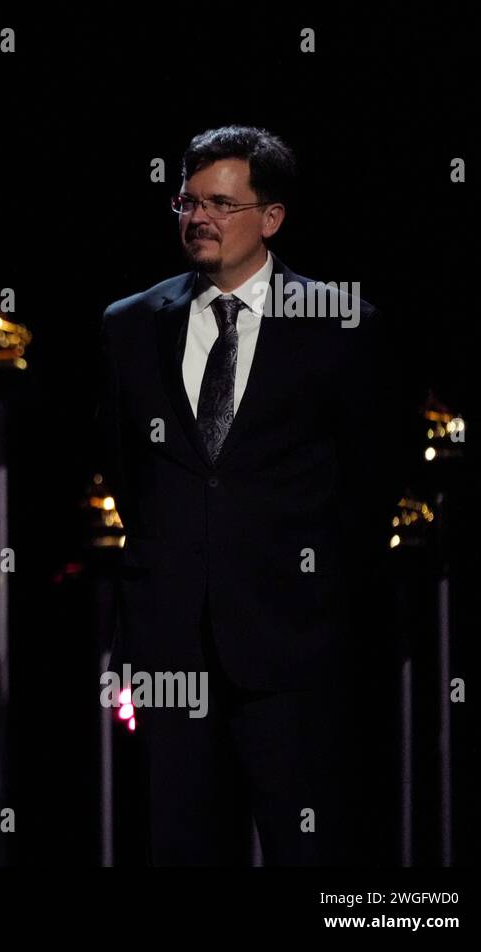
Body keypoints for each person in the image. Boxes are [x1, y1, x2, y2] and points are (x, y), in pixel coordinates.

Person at [97, 126, 401, 865]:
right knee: (181, 844)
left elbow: (373, 480)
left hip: (298, 645)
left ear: (271, 217)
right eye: (187, 202)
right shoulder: (130, 324)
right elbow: (126, 473)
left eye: (221, 204)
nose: (198, 219)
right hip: (171, 641)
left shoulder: (341, 321)